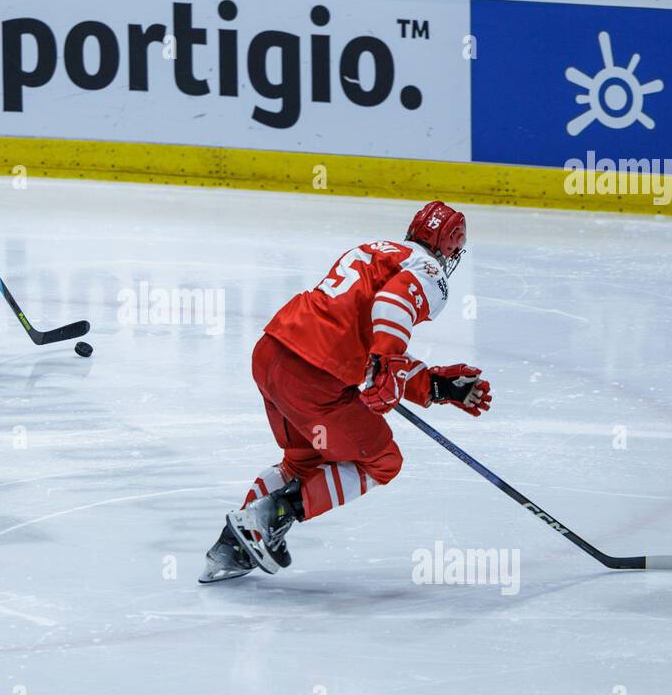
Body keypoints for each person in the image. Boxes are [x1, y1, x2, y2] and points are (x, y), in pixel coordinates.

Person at [201, 201, 493, 582]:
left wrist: (435, 385)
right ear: (449, 248)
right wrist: (387, 362)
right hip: (314, 376)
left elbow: (370, 342)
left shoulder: (374, 250)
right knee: (383, 460)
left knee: (301, 464)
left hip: (273, 354)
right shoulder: (430, 270)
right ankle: (273, 514)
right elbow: (392, 306)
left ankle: (233, 547)